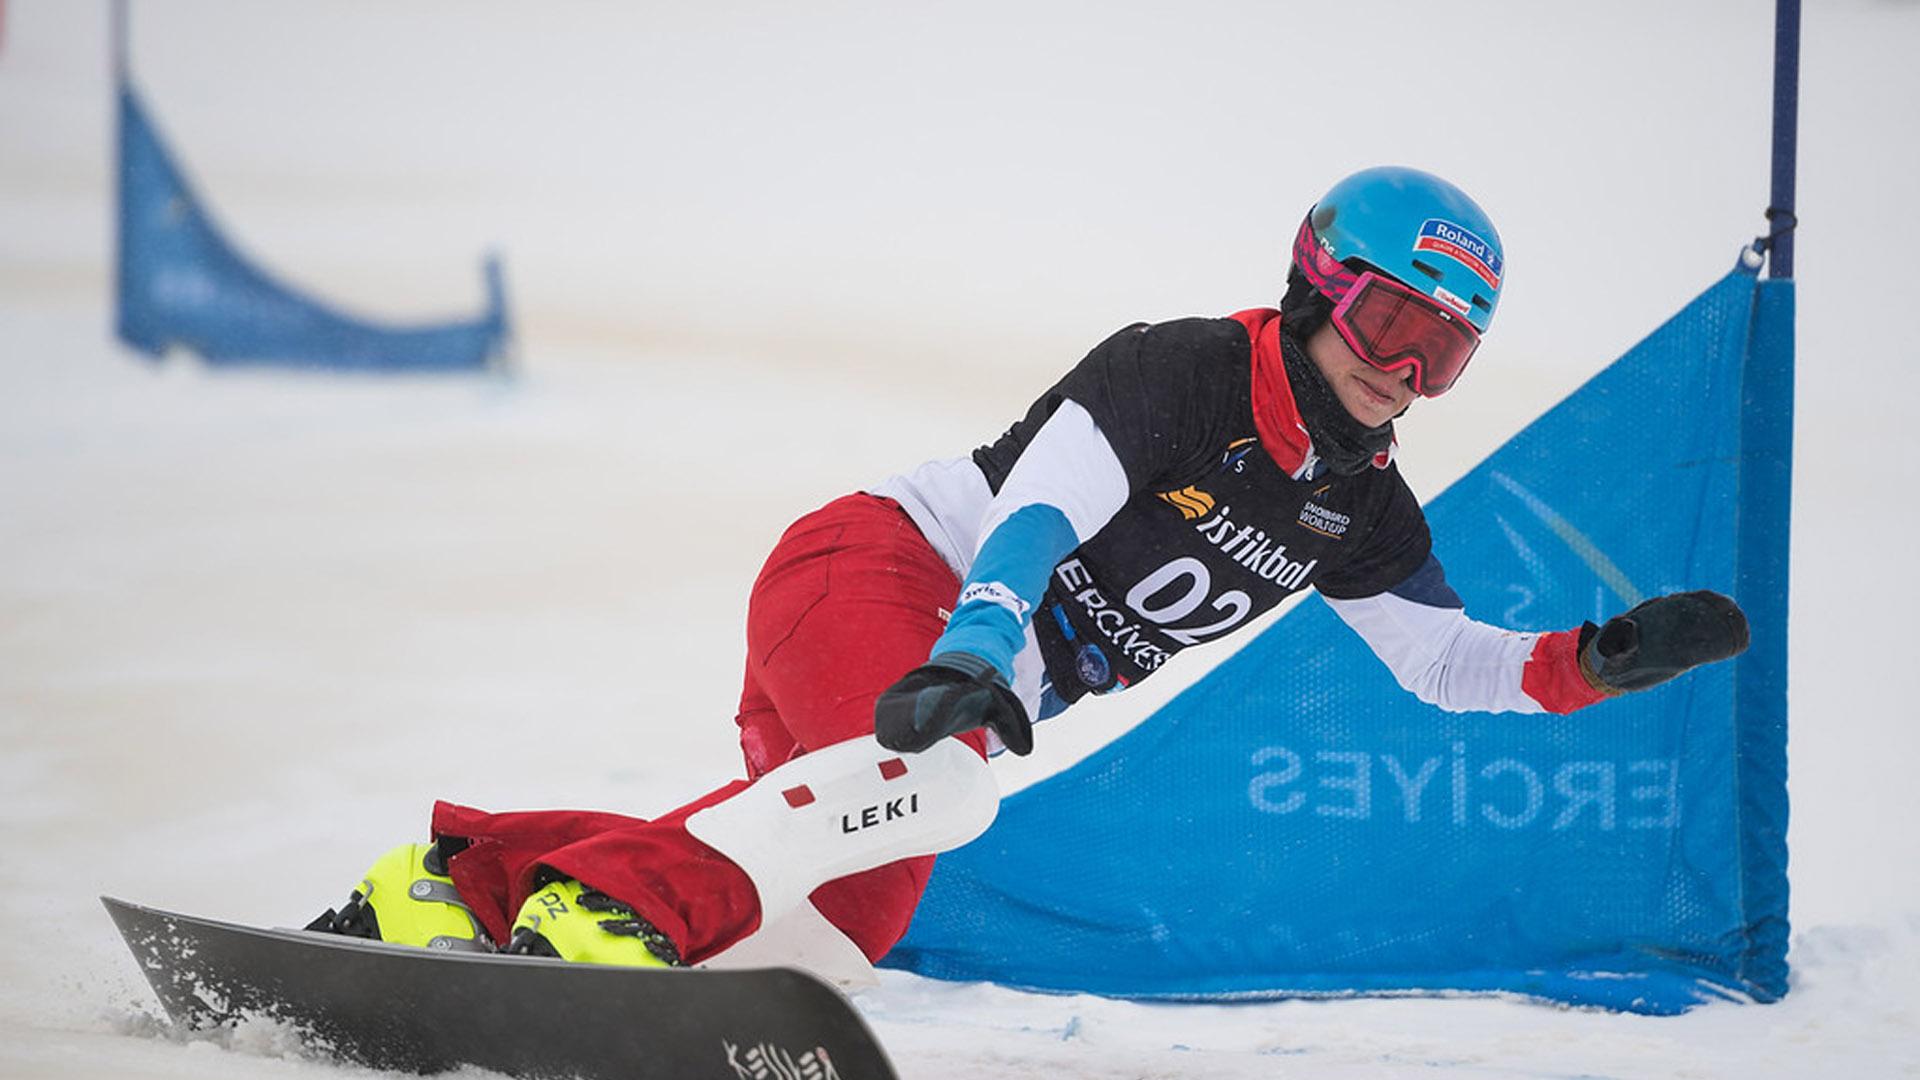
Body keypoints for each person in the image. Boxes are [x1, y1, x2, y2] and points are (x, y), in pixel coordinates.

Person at [308, 166, 1750, 969]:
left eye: (1445, 353)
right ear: (1319, 286)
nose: (1407, 374)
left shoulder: (1364, 510)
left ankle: (457, 884)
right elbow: (1039, 518)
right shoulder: (1184, 370)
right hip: (879, 577)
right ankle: (604, 915)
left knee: (839, 916)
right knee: (919, 800)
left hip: (955, 673)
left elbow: (1447, 665)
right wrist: (977, 651)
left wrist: (1598, 664)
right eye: (1389, 326)